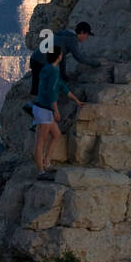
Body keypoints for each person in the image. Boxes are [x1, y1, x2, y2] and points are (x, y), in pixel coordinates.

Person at [32, 48, 84, 179]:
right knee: (40, 141)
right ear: (59, 57)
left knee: (56, 134)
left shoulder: (48, 69)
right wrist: (56, 110)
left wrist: (77, 100)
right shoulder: (53, 71)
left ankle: (47, 162)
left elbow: (61, 86)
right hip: (45, 108)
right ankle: (41, 172)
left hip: (42, 107)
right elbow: (51, 91)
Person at [29, 22, 98, 96]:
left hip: (35, 58)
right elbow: (79, 57)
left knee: (37, 86)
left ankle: (33, 104)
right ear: (82, 32)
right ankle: (39, 105)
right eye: (87, 35)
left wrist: (63, 75)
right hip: (42, 62)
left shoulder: (65, 34)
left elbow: (62, 56)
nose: (86, 38)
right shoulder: (72, 39)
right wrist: (96, 63)